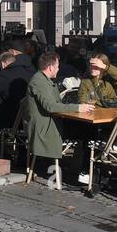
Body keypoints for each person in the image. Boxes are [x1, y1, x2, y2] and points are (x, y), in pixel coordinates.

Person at [24, 51, 94, 185]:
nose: (58, 69)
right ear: (50, 68)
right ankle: (82, 172)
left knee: (88, 132)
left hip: (51, 122)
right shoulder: (39, 82)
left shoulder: (44, 80)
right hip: (45, 128)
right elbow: (50, 106)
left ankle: (82, 170)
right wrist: (77, 108)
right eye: (57, 66)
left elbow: (55, 105)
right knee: (87, 133)